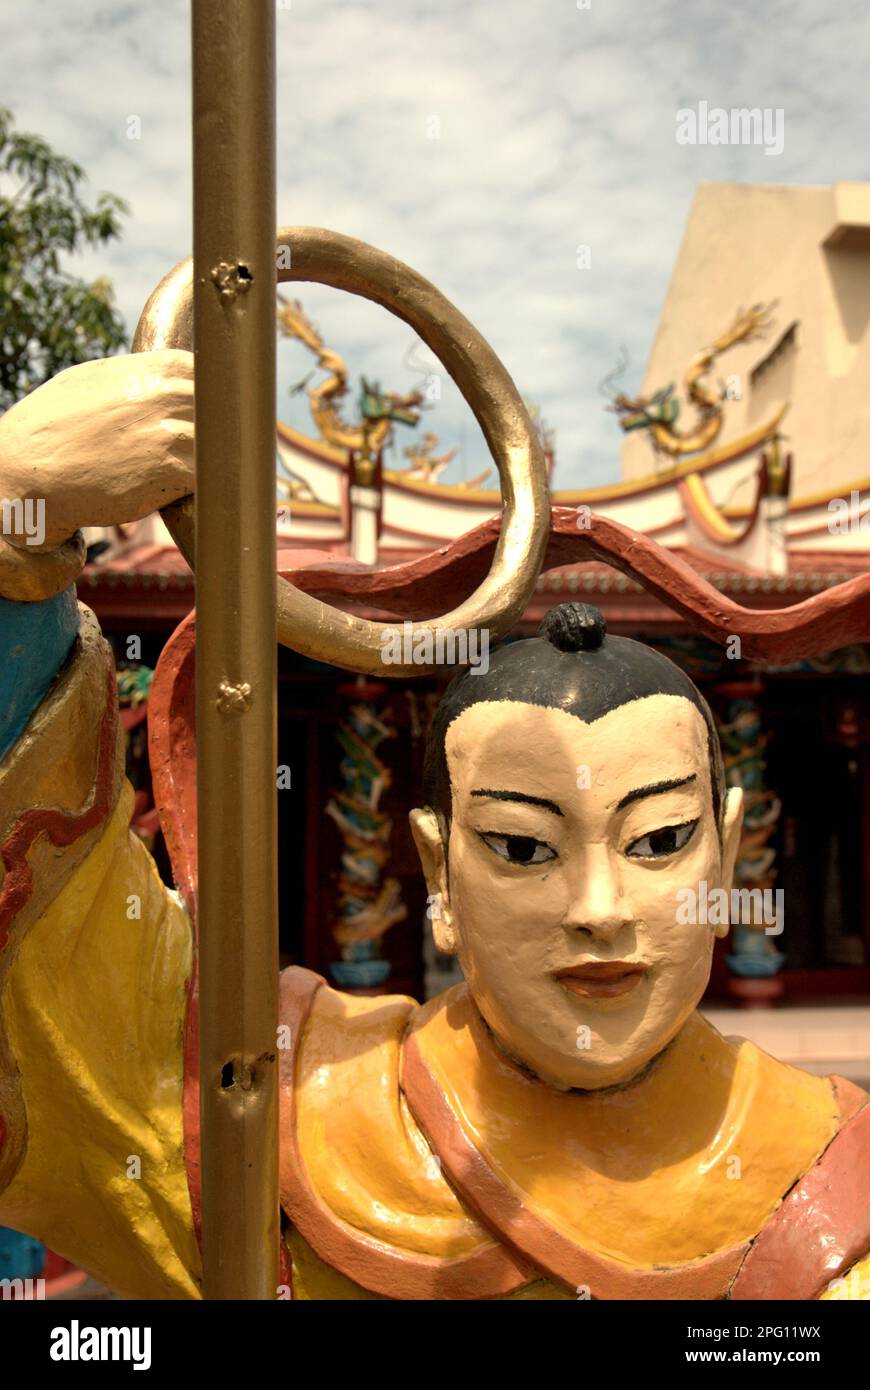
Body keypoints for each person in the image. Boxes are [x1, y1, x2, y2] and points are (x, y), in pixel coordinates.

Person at [0, 355, 867, 1301]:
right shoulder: (285, 1118)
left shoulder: (827, 1180)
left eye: (659, 841)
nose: (598, 909)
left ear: (729, 854)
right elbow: (61, 968)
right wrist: (17, 520)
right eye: (524, 847)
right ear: (435, 874)